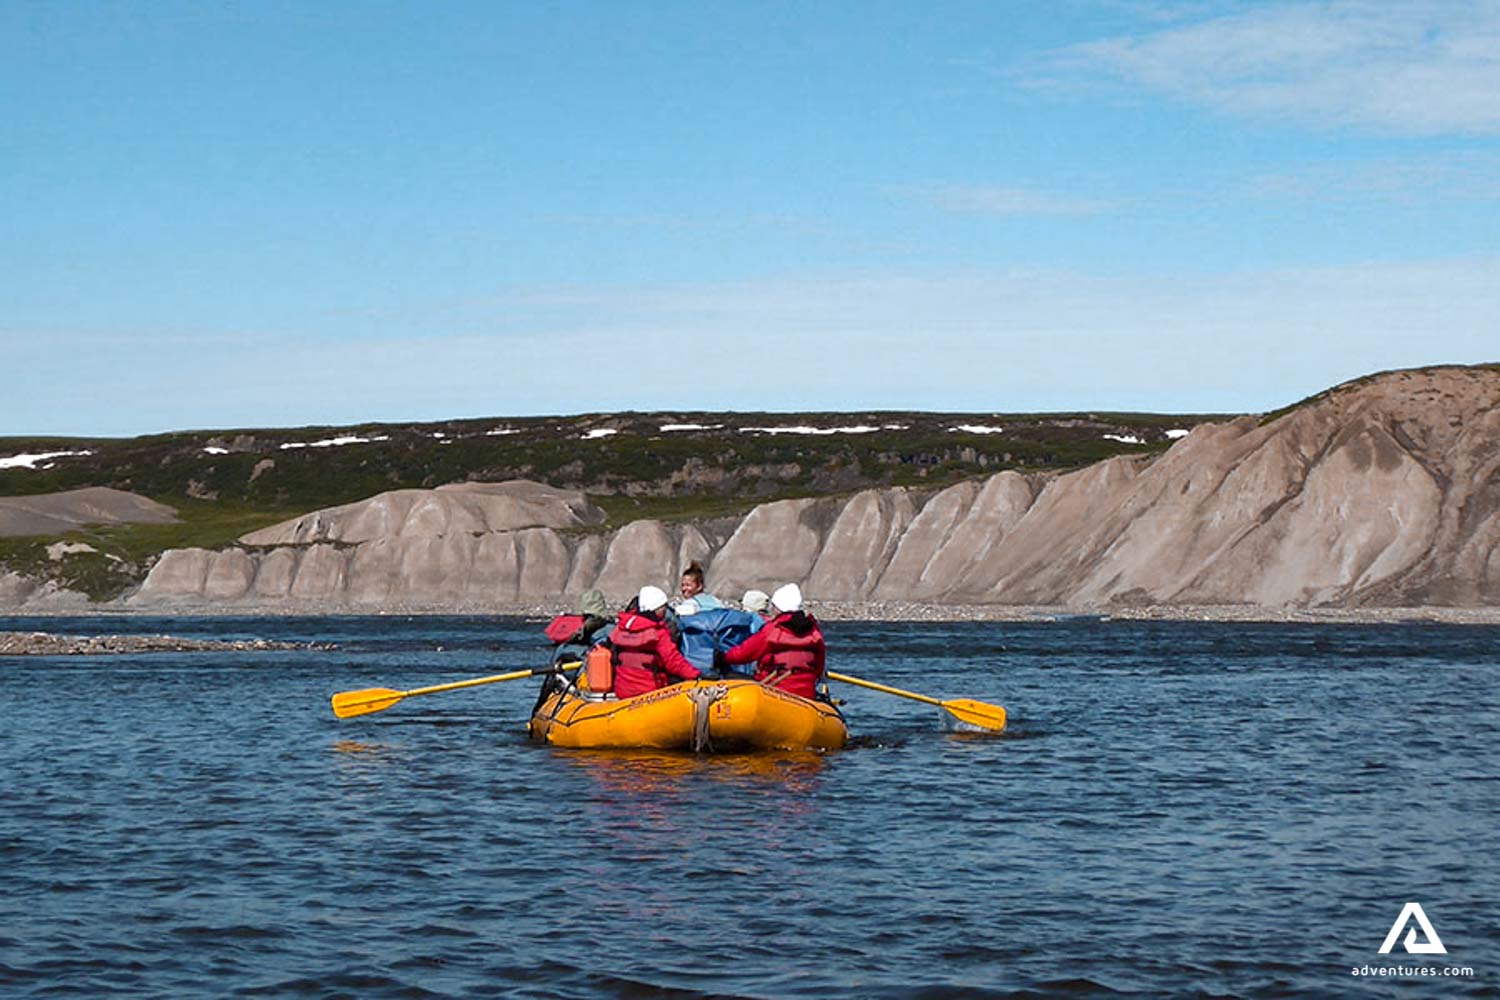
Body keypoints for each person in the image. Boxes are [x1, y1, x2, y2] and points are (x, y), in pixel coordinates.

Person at [719, 583, 826, 699]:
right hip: (806, 692)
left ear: (777, 608)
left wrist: (723, 657)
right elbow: (819, 666)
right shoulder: (814, 631)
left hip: (774, 691)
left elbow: (743, 654)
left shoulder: (772, 630)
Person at [609, 584, 703, 698]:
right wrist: (696, 676)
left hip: (622, 691)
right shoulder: (658, 633)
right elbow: (673, 661)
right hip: (650, 694)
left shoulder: (621, 629)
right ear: (657, 609)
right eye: (663, 607)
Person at [543, 588, 614, 665]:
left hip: (593, 660)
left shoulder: (590, 628)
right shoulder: (612, 629)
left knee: (561, 649)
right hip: (601, 660)